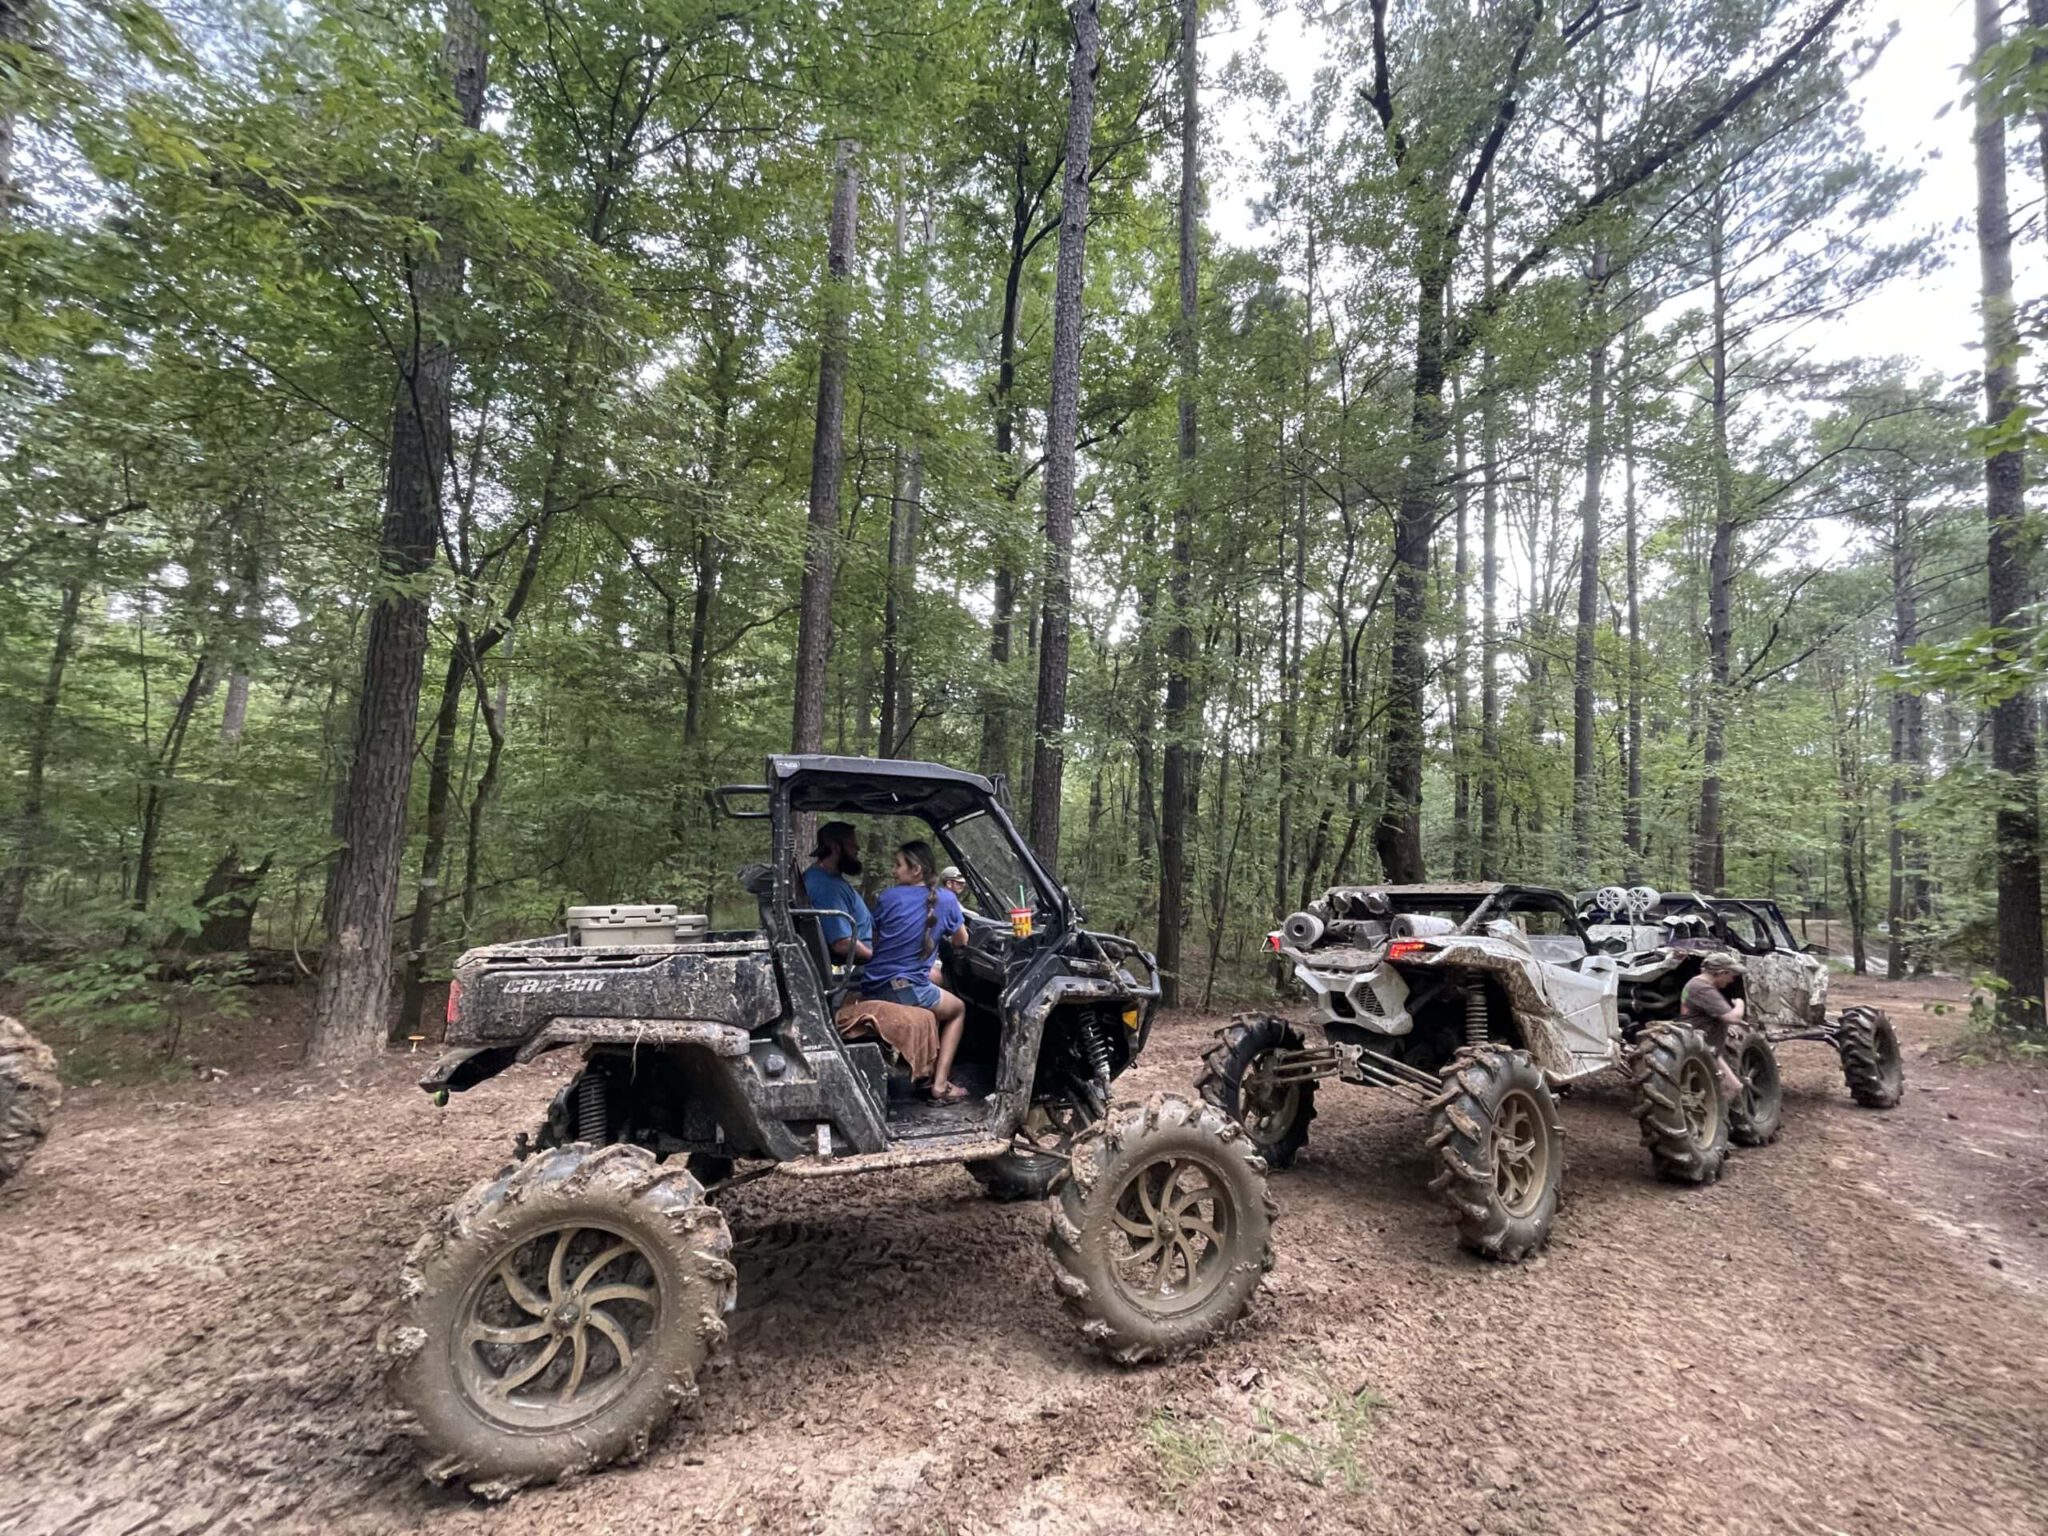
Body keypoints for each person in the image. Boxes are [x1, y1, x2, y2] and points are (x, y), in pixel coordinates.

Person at [862, 840, 972, 1101]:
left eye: (897, 865)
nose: (893, 870)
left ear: (916, 869)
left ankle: (927, 1072)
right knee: (958, 1009)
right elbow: (962, 941)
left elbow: (877, 942)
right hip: (902, 989)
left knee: (933, 985)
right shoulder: (947, 900)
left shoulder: (887, 897)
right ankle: (940, 1084)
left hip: (873, 983)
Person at [1680, 950, 1748, 1098]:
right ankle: (1719, 1112)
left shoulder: (1697, 984)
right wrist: (1740, 1004)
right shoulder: (1702, 988)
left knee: (1733, 1087)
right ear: (1722, 972)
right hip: (1703, 1048)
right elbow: (1733, 1017)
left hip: (1708, 1048)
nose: (1731, 980)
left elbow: (1705, 1013)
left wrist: (1723, 1025)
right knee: (1731, 1088)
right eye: (1731, 975)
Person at [802, 821, 872, 965]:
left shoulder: (829, 880)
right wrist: (879, 958)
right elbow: (842, 944)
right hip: (863, 966)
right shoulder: (826, 888)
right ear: (836, 848)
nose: (858, 849)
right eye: (852, 845)